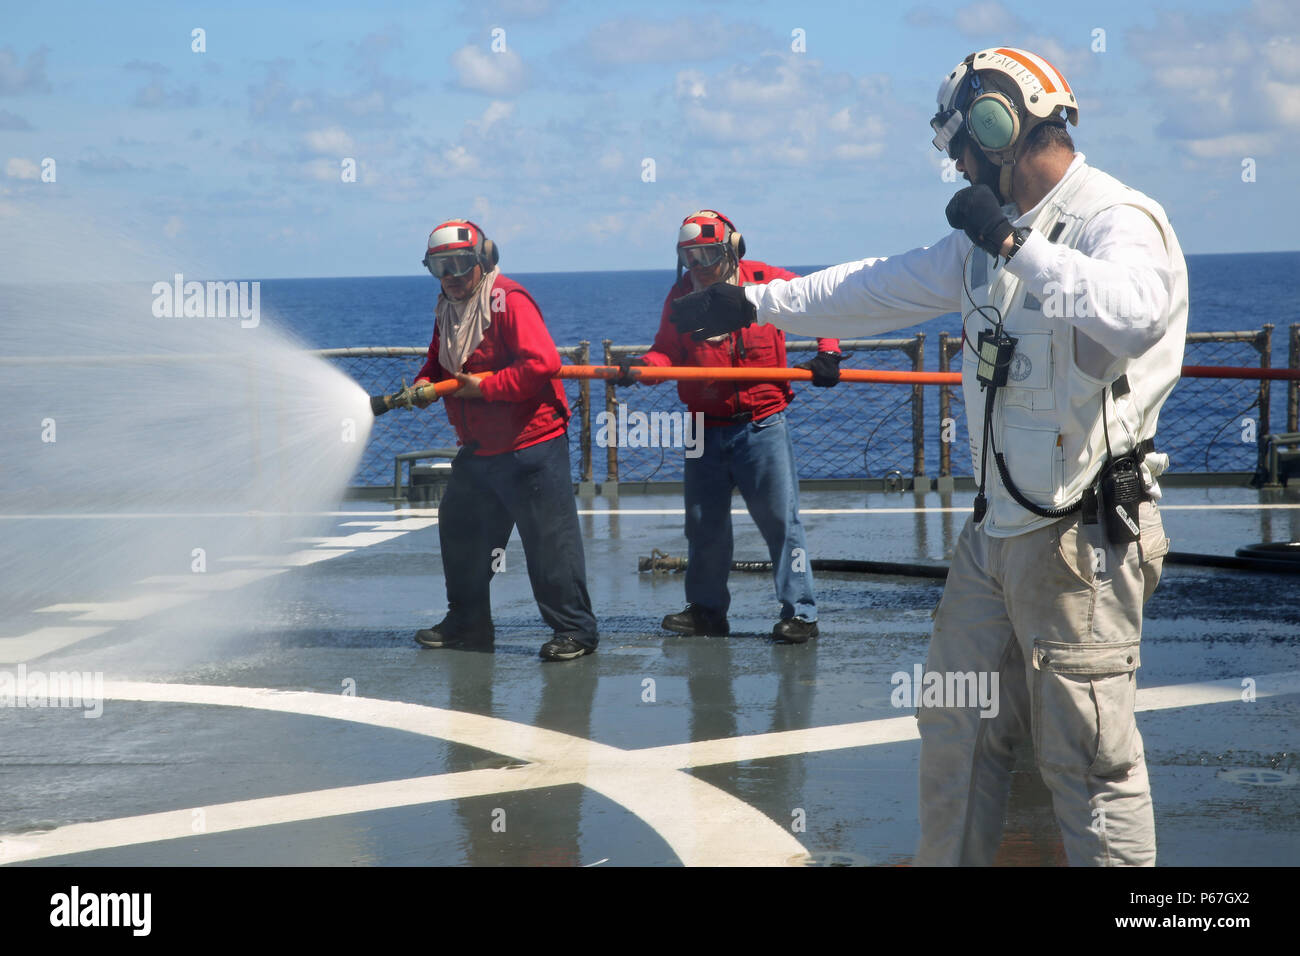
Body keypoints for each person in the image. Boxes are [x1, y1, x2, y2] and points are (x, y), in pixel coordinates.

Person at [669, 48, 1186, 865]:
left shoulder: (1115, 218)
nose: (955, 164)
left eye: (961, 145)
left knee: (1089, 761)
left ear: (998, 126)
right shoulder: (986, 242)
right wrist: (758, 300)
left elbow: (1133, 315)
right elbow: (876, 286)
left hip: (1081, 542)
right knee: (957, 727)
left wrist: (1015, 243)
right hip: (997, 536)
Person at [617, 209, 843, 644]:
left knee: (781, 522)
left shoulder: (766, 280)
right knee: (704, 525)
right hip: (703, 427)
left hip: (761, 425)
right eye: (691, 257)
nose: (700, 266)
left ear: (733, 249)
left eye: (708, 254)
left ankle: (801, 614)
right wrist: (642, 368)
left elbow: (821, 306)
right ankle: (706, 612)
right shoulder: (681, 296)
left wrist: (828, 353)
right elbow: (666, 352)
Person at [410, 219, 599, 662]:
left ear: (484, 260)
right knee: (461, 531)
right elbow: (439, 364)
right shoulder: (448, 309)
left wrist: (486, 388)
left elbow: (542, 363)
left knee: (549, 543)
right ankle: (468, 624)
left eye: (460, 264)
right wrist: (423, 385)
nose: (452, 276)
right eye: (441, 267)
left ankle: (575, 631)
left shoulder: (507, 301)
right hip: (480, 447)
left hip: (531, 444)